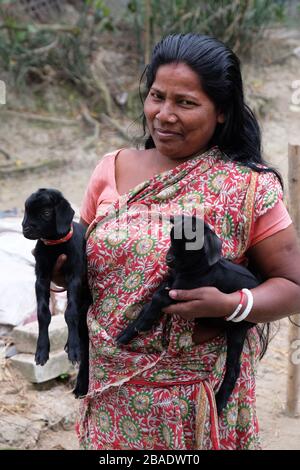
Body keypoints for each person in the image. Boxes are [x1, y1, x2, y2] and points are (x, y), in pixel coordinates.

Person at [54, 33, 300, 450]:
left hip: (197, 407)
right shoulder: (111, 169)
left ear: (221, 112)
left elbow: (293, 286)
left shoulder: (248, 187)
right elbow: (85, 259)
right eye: (156, 97)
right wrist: (62, 268)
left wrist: (233, 306)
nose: (164, 115)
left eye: (185, 103)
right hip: (112, 397)